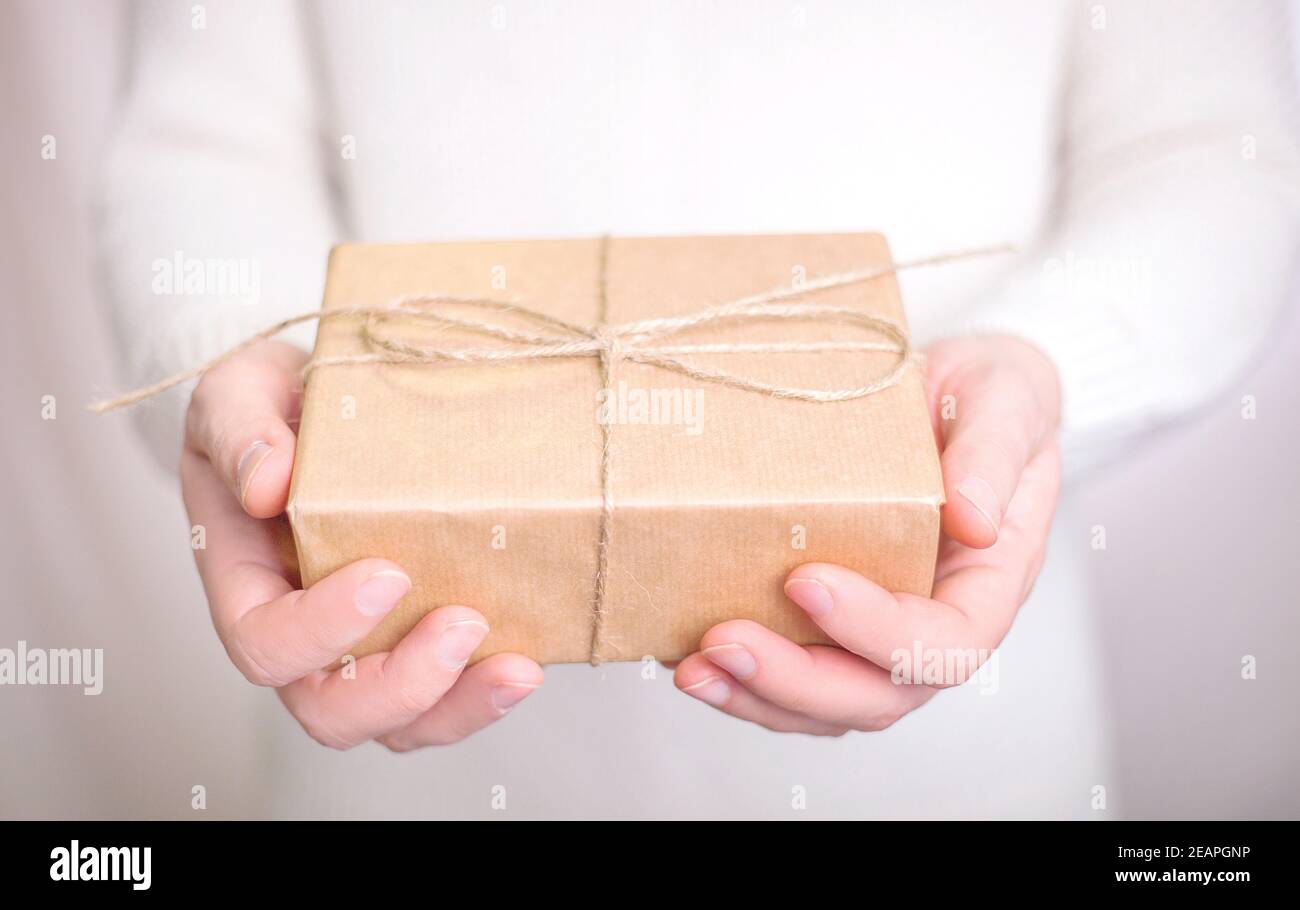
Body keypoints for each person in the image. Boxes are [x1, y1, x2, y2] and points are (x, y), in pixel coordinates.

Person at [97, 1, 1300, 818]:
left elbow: (1208, 150)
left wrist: (1044, 368)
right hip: (400, 765)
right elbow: (204, 145)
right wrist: (245, 369)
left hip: (953, 769)